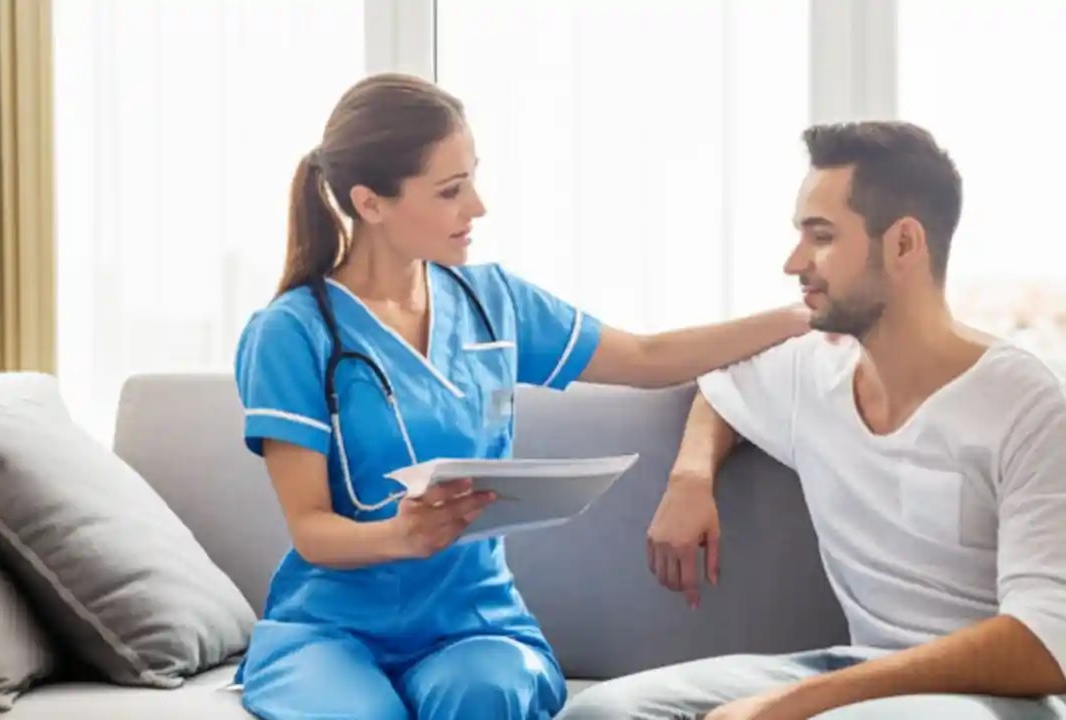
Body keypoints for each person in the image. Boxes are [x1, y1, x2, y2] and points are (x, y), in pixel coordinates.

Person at [231, 72, 811, 720]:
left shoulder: (494, 301)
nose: (476, 207)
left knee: (488, 695)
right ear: (370, 203)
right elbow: (312, 530)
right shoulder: (293, 332)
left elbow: (648, 358)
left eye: (472, 180)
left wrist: (798, 318)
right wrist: (403, 536)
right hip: (329, 632)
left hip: (471, 624)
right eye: (451, 191)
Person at [559, 121, 1066, 720]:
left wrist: (793, 703)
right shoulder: (812, 370)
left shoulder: (1028, 407)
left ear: (904, 244)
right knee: (604, 714)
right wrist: (690, 479)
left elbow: (1045, 645)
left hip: (991, 699)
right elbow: (720, 392)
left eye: (820, 237)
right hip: (852, 668)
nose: (794, 262)